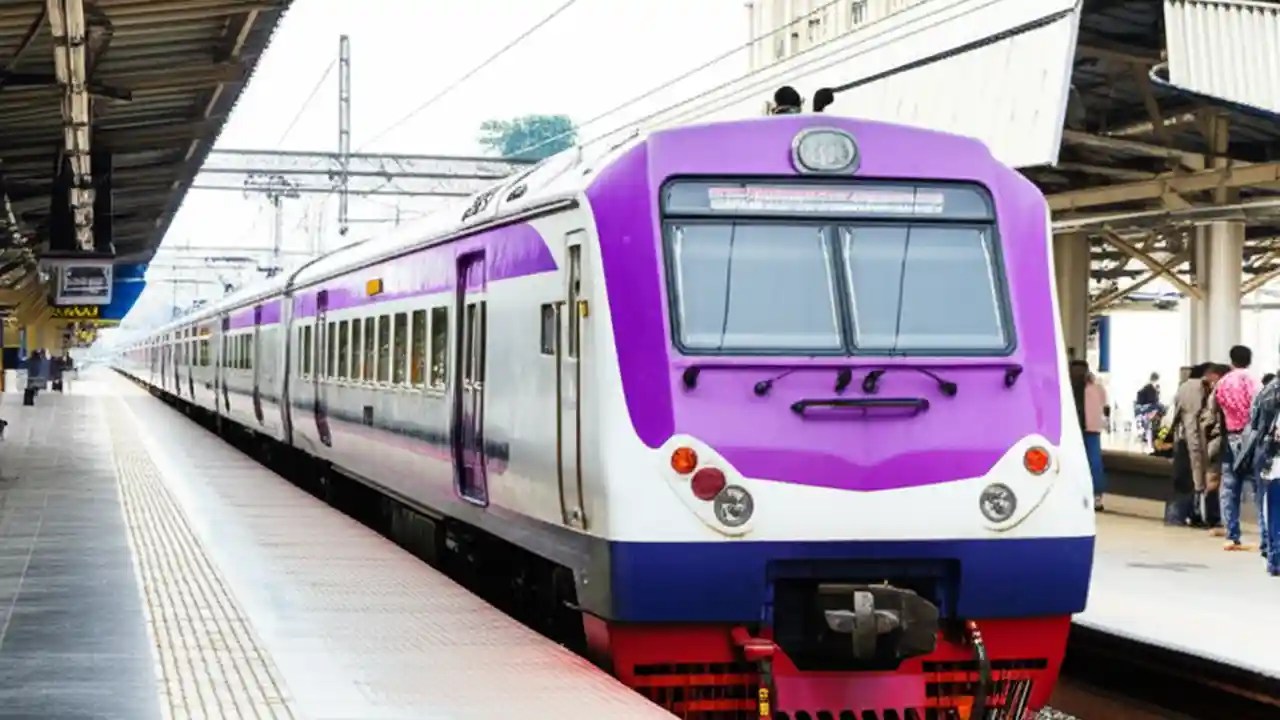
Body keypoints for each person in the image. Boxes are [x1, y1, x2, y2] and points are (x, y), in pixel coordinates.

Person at [1216, 345, 1264, 551]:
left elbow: (1216, 409)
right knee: (1259, 489)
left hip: (1232, 438)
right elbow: (1261, 408)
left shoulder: (1223, 382)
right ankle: (1265, 536)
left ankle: (1232, 534)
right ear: (1249, 360)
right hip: (1253, 439)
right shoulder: (1255, 381)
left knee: (1229, 489)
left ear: (1231, 360)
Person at [1164, 363, 1211, 526]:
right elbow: (1191, 421)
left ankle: (1184, 514)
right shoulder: (1194, 389)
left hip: (1185, 440)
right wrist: (1197, 448)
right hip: (1189, 442)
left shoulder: (1186, 387)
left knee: (1185, 479)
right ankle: (1177, 515)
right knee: (1186, 480)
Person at [1071, 360, 1109, 510]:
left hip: (1075, 430)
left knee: (1077, 462)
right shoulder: (1096, 386)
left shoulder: (1068, 387)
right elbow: (1105, 404)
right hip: (1091, 429)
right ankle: (1096, 496)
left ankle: (1082, 494)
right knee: (1094, 462)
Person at [1200, 364, 1229, 529]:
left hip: (1215, 440)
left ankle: (1212, 517)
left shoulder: (1216, 393)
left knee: (1213, 480)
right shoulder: (1216, 392)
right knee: (1214, 480)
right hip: (1218, 440)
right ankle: (1213, 517)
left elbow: (1208, 419)